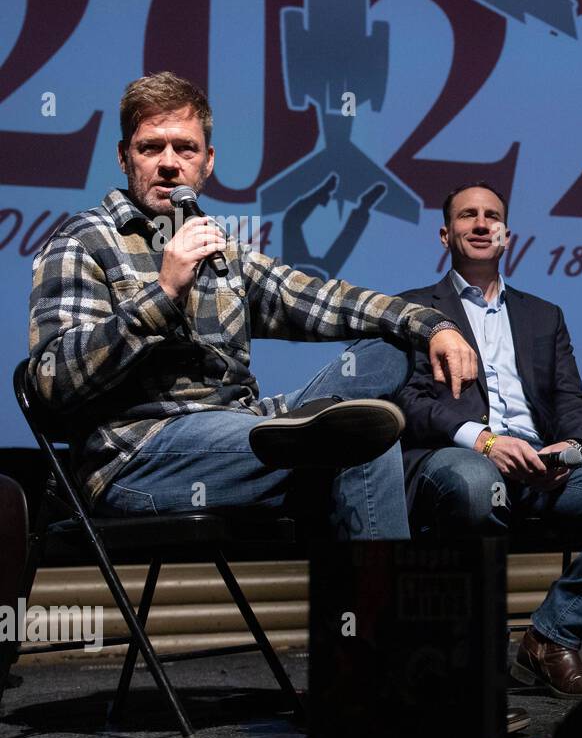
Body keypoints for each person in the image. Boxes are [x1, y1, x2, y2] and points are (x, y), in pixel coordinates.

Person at [27, 72, 478, 540]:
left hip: (245, 430)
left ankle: (309, 439)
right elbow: (52, 383)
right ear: (124, 157)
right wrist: (161, 295)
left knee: (390, 349)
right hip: (142, 455)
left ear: (207, 163)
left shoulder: (221, 251)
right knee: (361, 442)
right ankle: (374, 599)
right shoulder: (83, 242)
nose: (168, 164)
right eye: (150, 148)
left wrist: (432, 324)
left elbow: (320, 299)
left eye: (185, 149)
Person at [395, 182, 582, 698]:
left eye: (492, 216)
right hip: (462, 459)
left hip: (540, 467)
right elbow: (410, 401)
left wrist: (570, 449)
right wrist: (485, 441)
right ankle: (473, 668)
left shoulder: (543, 314)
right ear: (446, 234)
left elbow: (572, 401)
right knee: (471, 484)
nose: (482, 223)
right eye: (468, 215)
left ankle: (550, 637)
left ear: (507, 235)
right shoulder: (415, 309)